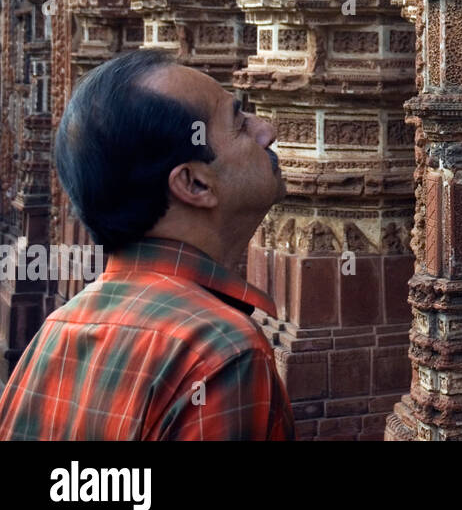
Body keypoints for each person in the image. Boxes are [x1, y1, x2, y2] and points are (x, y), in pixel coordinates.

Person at [0, 49, 294, 439]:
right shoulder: (222, 351)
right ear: (195, 184)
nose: (266, 129)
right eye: (239, 123)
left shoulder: (57, 331)